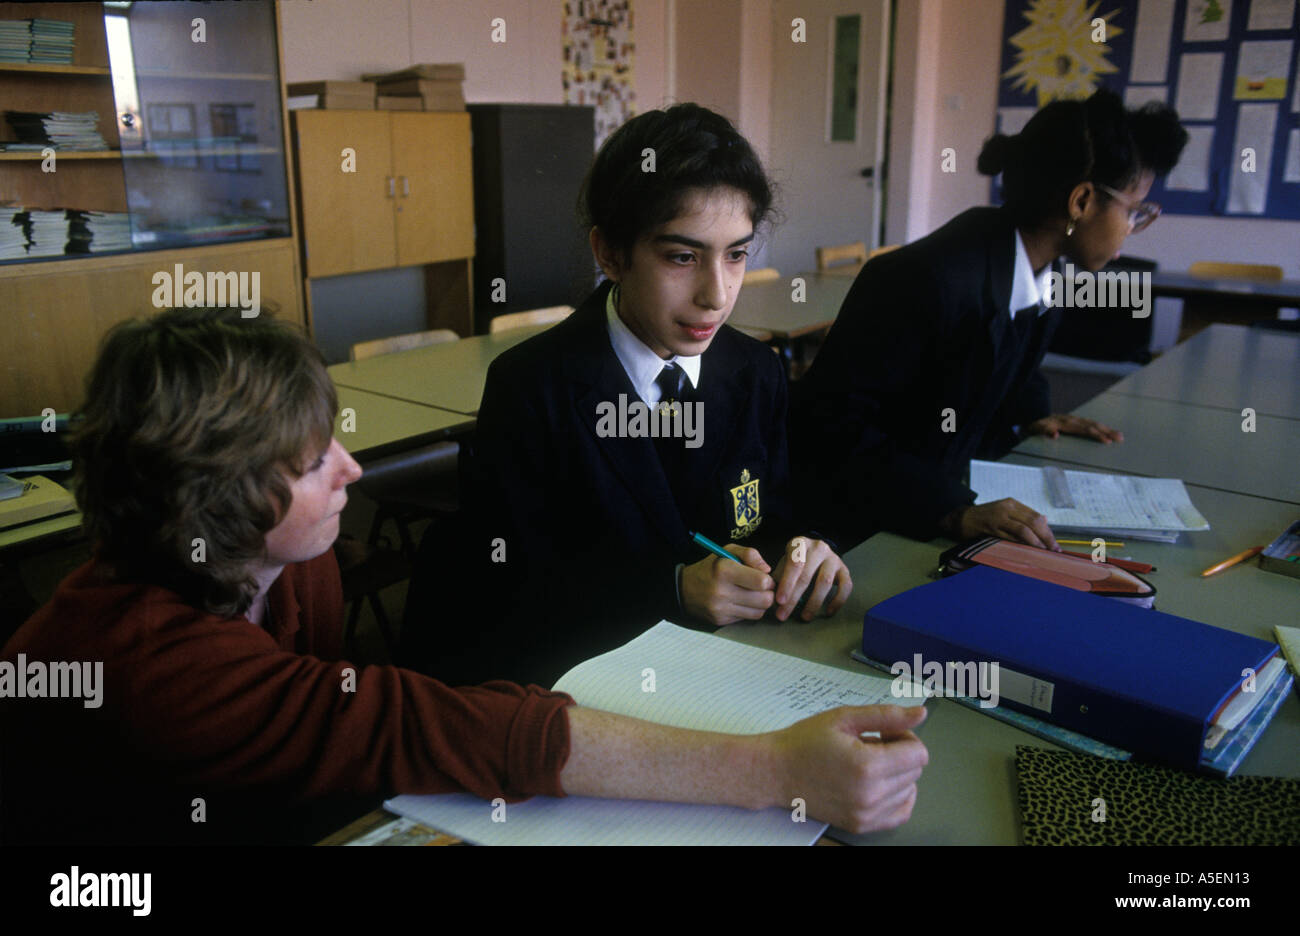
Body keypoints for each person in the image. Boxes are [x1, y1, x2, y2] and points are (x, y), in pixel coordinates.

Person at [0, 308, 926, 845]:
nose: (352, 474)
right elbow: (419, 724)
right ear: (216, 493)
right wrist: (775, 769)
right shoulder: (145, 660)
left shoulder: (286, 557)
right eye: (312, 456)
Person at [403, 103, 852, 687]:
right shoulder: (534, 387)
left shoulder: (755, 371)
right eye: (682, 257)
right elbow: (506, 586)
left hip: (739, 671)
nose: (717, 295)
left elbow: (775, 512)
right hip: (595, 686)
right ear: (610, 254)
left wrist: (807, 551)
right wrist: (669, 589)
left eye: (736, 255)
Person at [790, 89, 1188, 551]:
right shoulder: (926, 279)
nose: (1133, 229)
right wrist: (953, 510)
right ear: (1080, 201)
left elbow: (1008, 360)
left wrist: (1034, 416)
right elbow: (830, 429)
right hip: (850, 535)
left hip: (922, 502)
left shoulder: (1041, 268)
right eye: (1135, 211)